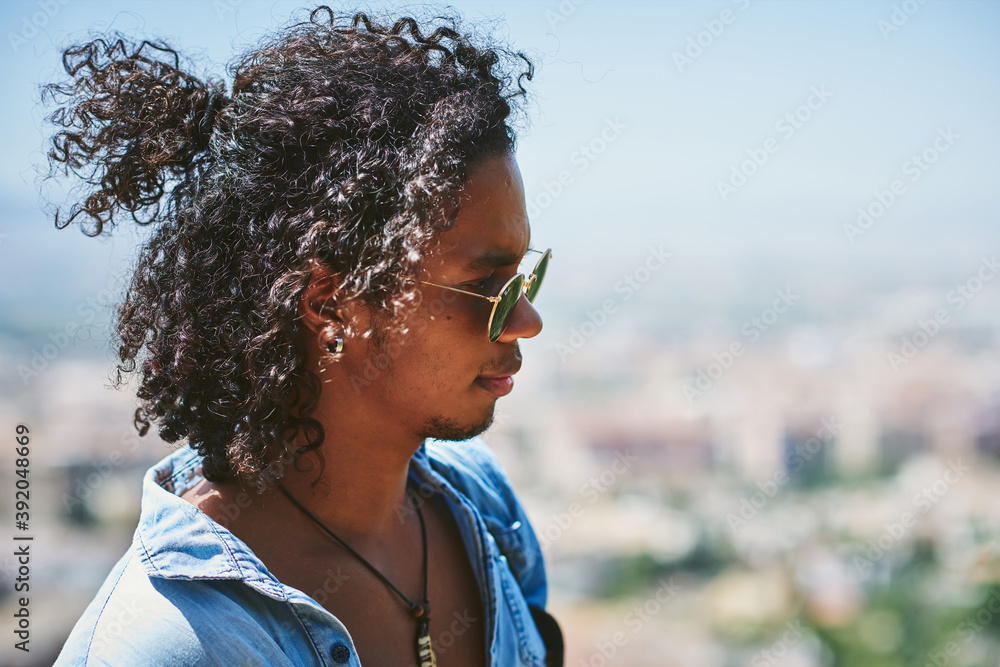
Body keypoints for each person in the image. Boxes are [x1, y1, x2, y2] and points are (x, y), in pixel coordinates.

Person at [47, 6, 562, 666]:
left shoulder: (486, 510)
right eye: (488, 284)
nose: (526, 320)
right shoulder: (170, 645)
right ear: (331, 305)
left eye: (524, 276)